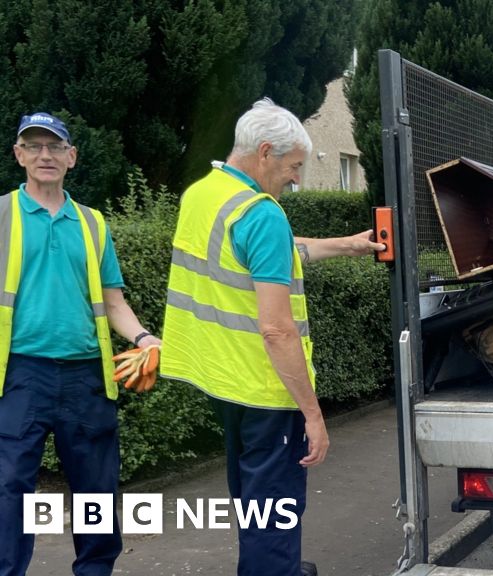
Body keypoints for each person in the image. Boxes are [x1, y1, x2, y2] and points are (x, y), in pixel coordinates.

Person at [159, 98, 384, 576]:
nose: (297, 178)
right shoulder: (261, 214)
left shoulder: (205, 194)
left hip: (222, 378)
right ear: (265, 151)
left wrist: (348, 245)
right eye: (294, 166)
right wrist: (314, 415)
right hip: (265, 387)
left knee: (252, 502)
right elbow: (277, 329)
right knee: (274, 515)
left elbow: (266, 255)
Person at [0, 113, 162, 576]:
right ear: (19, 156)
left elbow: (113, 302)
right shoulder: (2, 215)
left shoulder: (92, 224)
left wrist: (144, 336)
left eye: (55, 147)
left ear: (71, 157)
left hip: (86, 377)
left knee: (97, 492)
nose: (44, 155)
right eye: (34, 146)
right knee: (10, 490)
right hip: (19, 376)